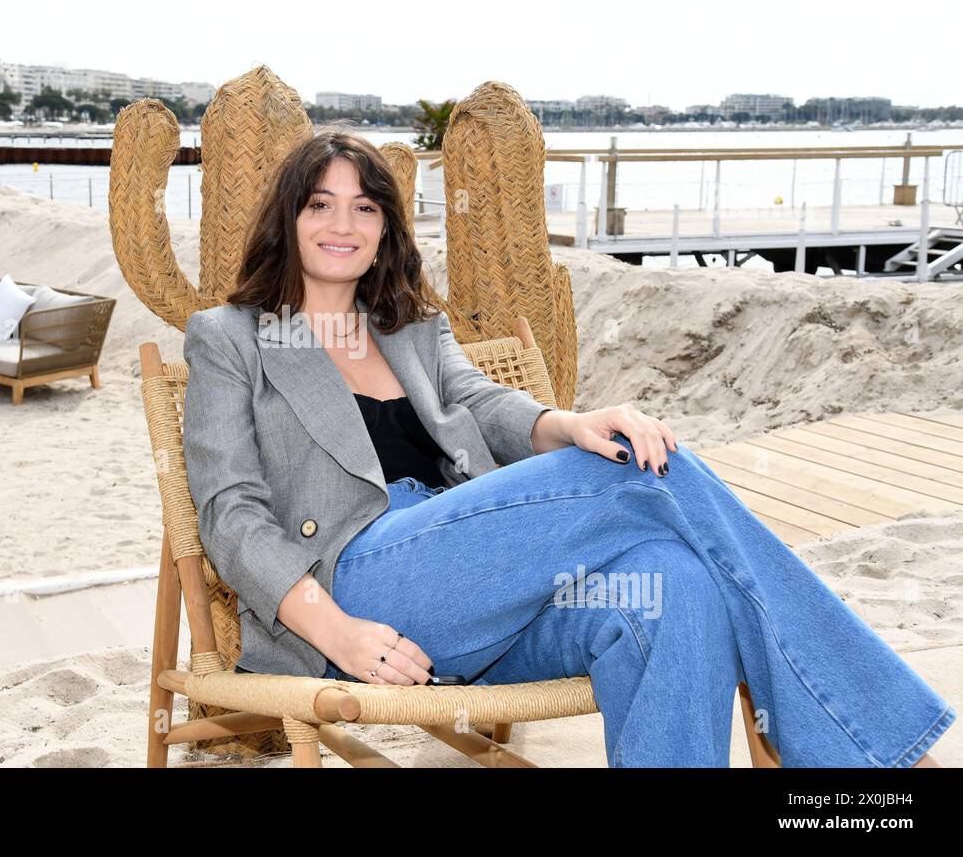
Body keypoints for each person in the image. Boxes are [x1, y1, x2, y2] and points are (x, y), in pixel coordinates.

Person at [180, 129, 953, 767]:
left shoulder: (410, 328)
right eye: (320, 205)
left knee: (671, 584)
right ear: (289, 219)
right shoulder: (233, 340)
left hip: (487, 596)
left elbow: (483, 404)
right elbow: (230, 516)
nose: (342, 224)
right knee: (646, 470)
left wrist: (569, 424)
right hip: (360, 592)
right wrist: (336, 629)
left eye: (363, 207)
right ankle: (869, 753)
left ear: (386, 227)